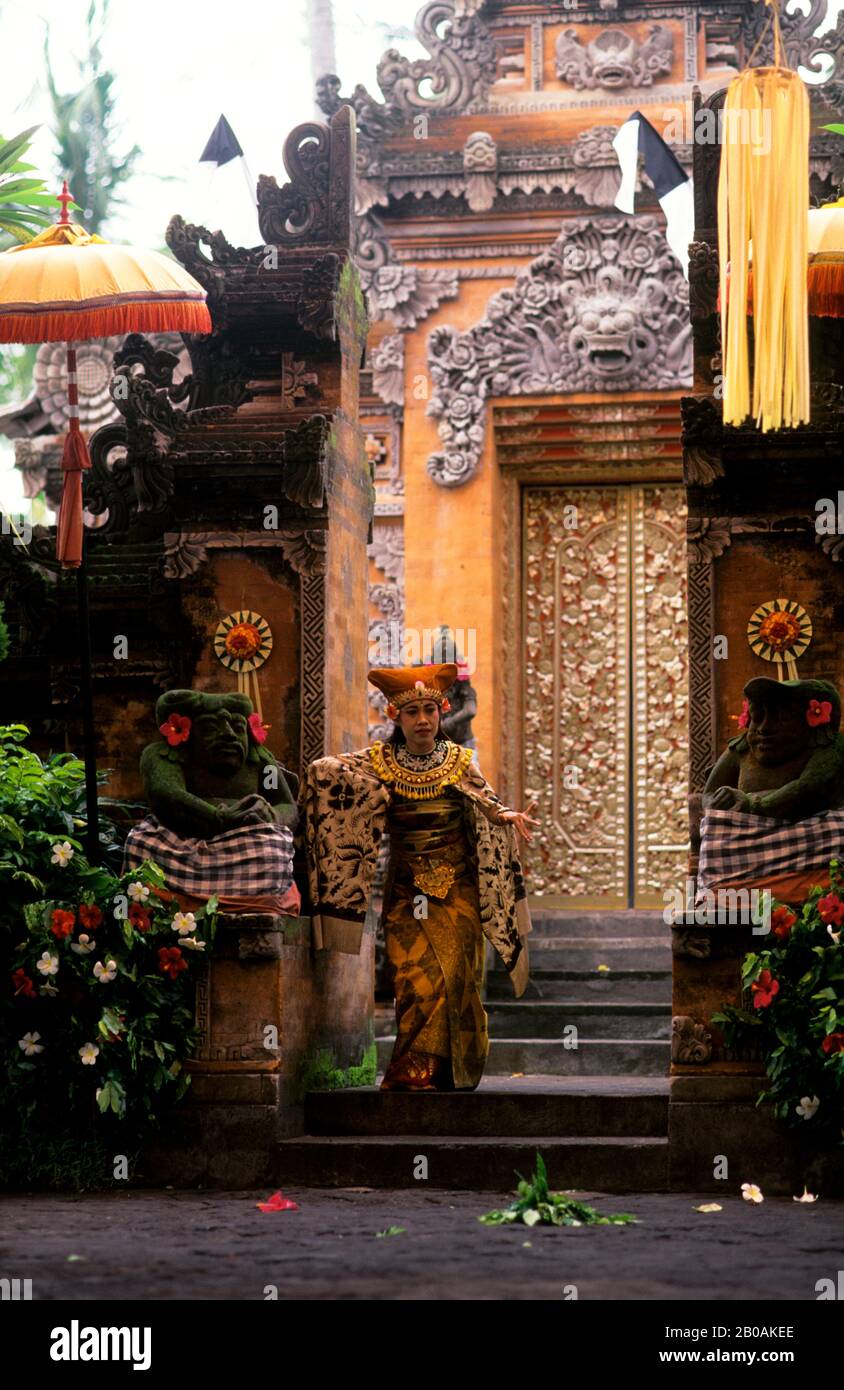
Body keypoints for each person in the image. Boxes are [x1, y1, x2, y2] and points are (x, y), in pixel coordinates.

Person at [299, 662, 539, 1092]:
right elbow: (325, 772)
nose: (424, 720)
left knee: (457, 977)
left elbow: (486, 803)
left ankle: (447, 1070)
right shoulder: (377, 763)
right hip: (407, 891)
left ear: (442, 712)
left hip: (458, 888)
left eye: (431, 710)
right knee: (414, 979)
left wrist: (505, 816)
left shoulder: (460, 761)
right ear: (396, 716)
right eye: (413, 713)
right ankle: (413, 1070)